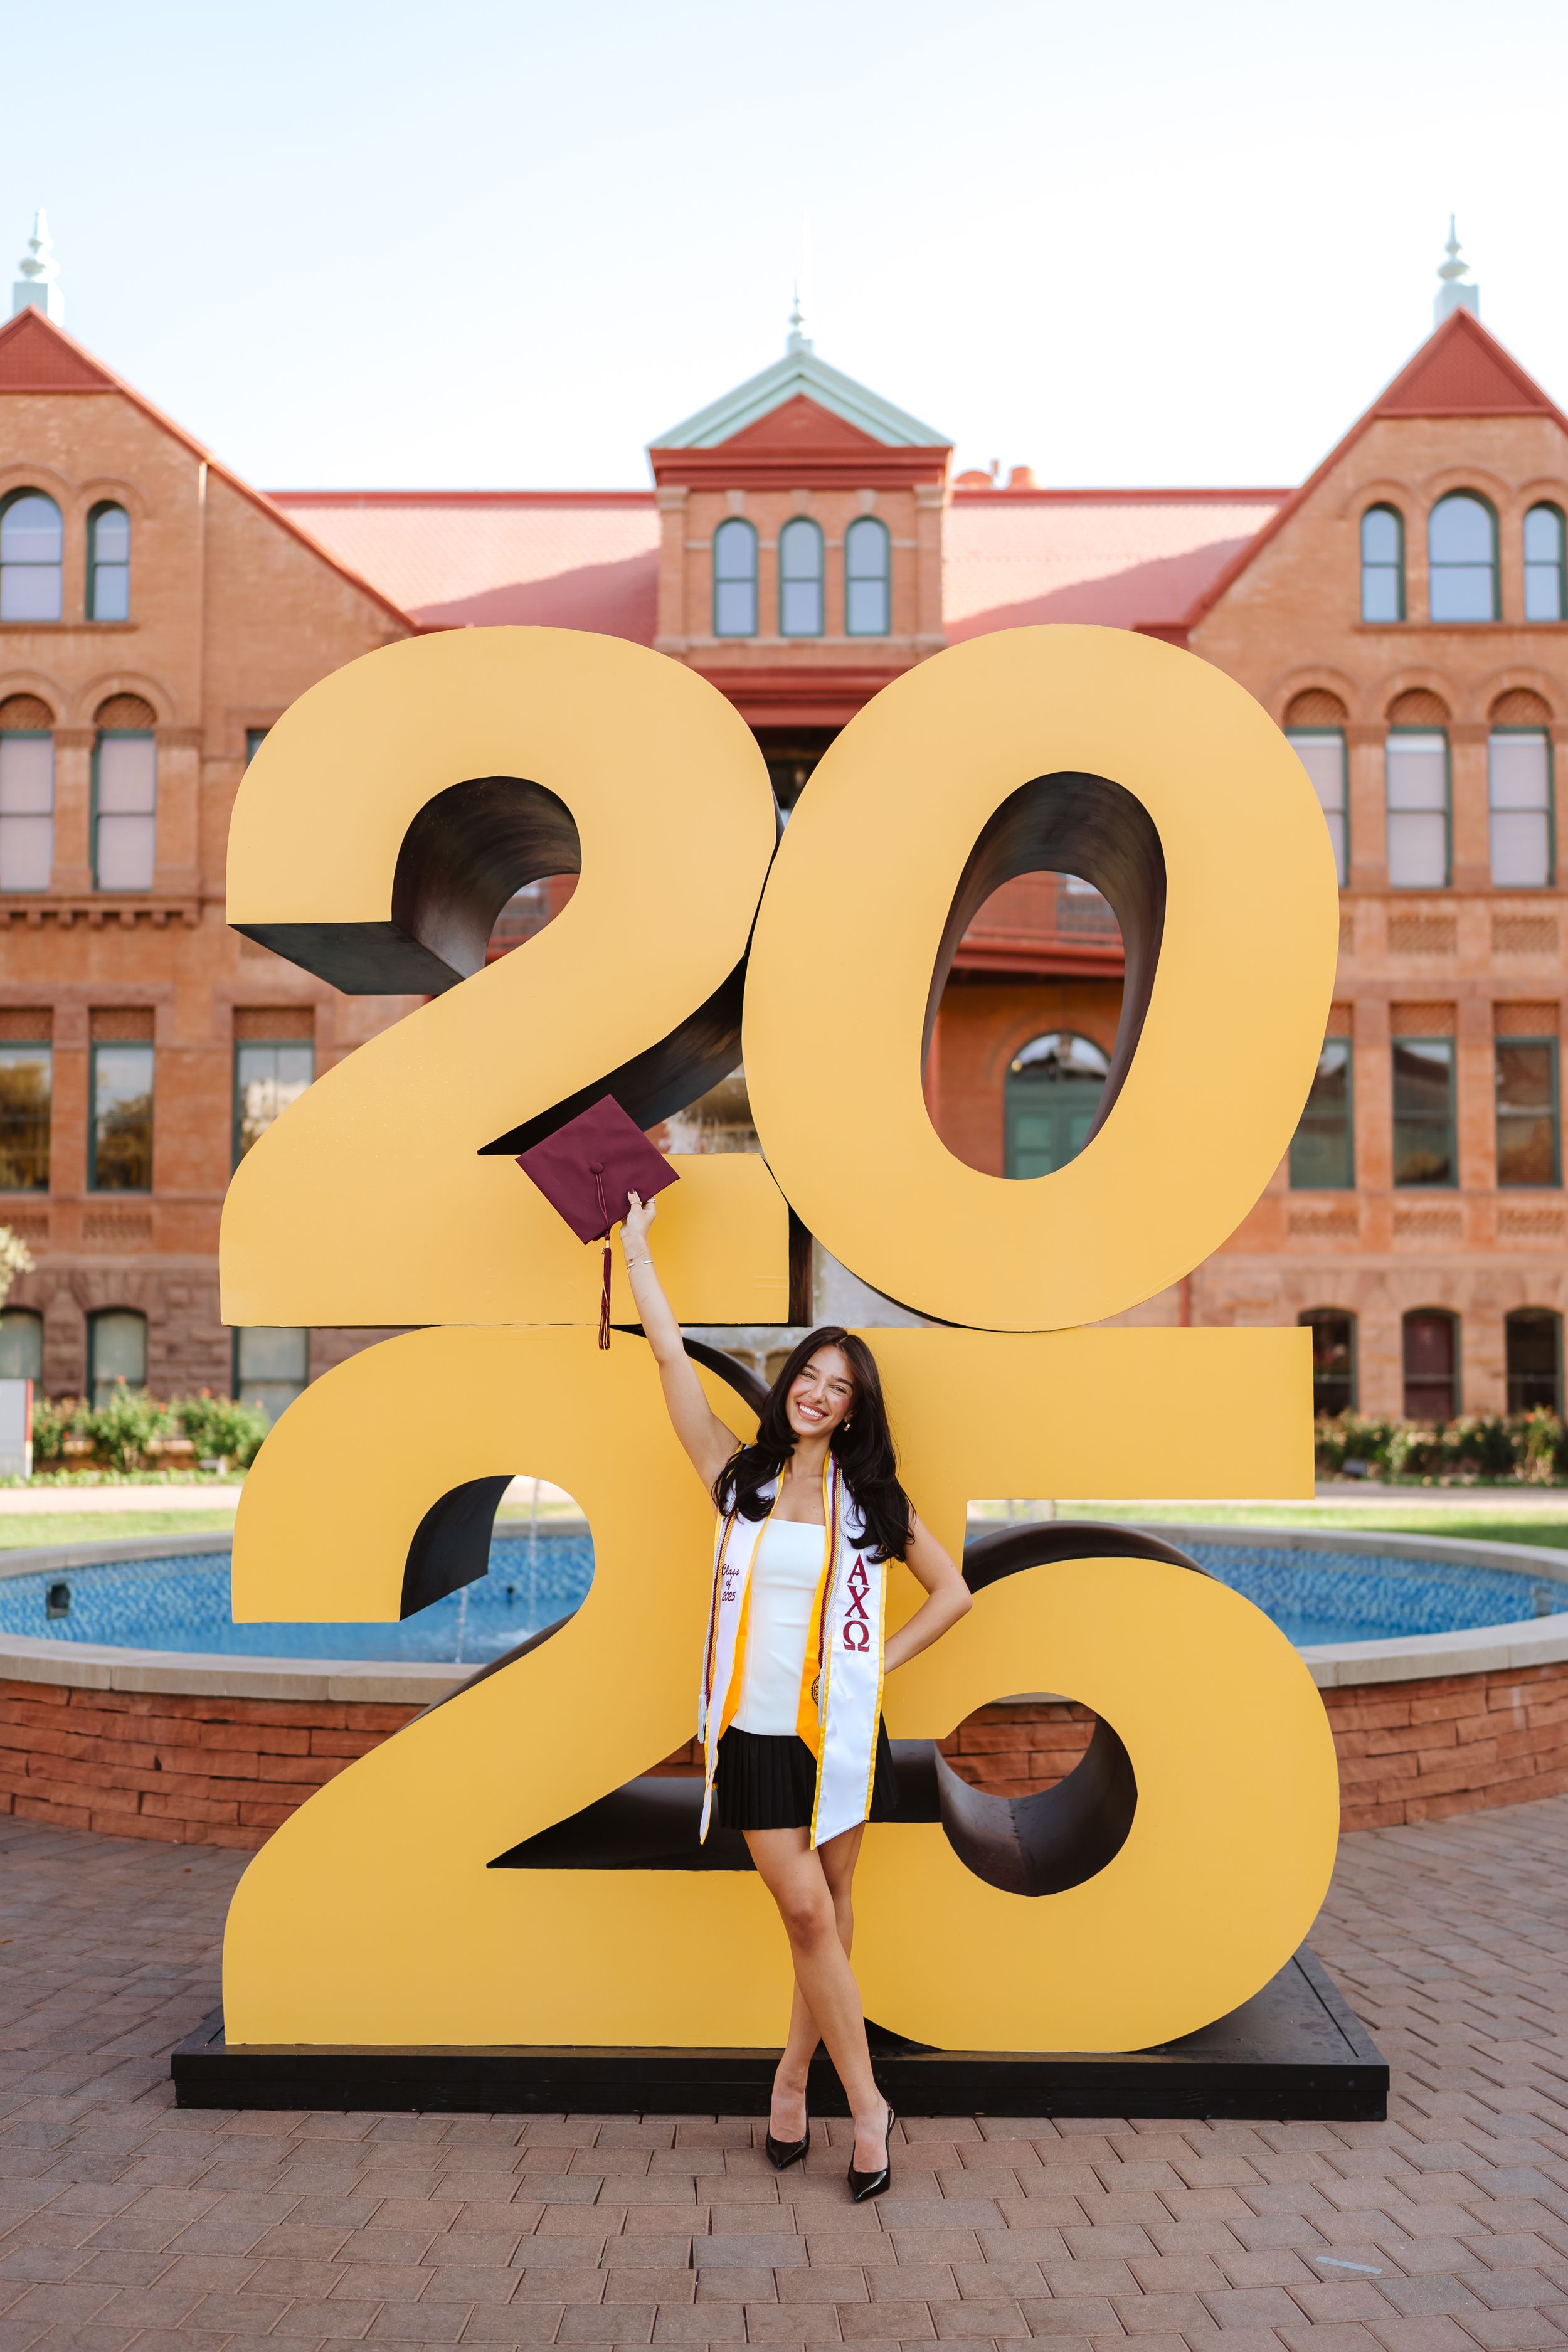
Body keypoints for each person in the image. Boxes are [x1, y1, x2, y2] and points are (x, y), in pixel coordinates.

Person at [619, 1189, 973, 2201]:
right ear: (789, 1387)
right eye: (808, 1376)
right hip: (756, 1735)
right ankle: (868, 2107)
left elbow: (953, 1594)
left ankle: (788, 2081)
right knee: (810, 1917)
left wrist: (874, 1666)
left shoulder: (873, 1505)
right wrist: (641, 1258)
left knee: (834, 1911)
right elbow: (671, 1364)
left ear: (856, 1407)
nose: (817, 1394)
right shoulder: (739, 1477)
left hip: (844, 1733)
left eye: (837, 1386)